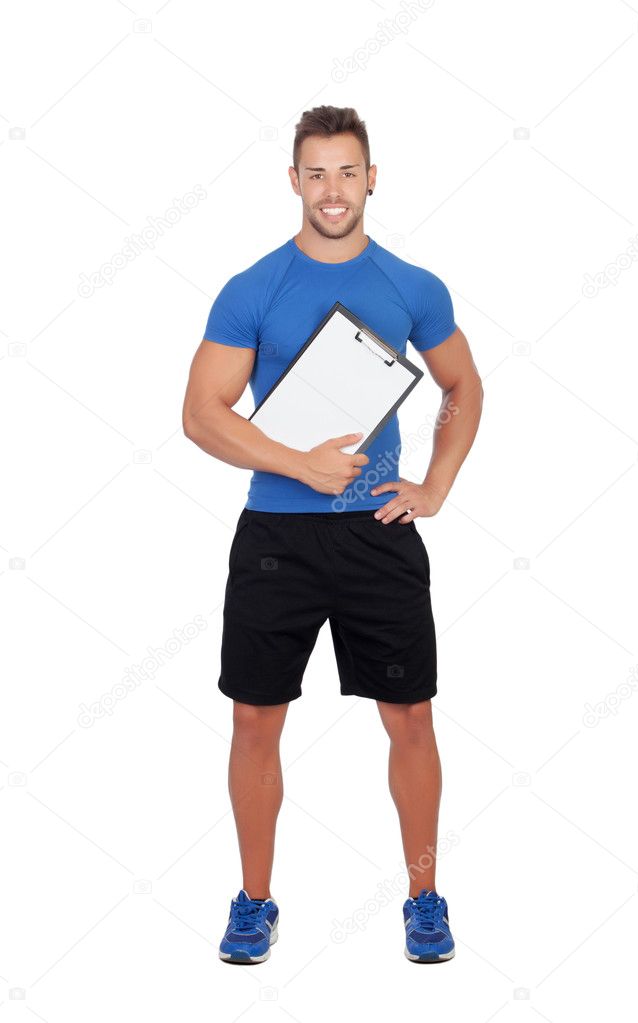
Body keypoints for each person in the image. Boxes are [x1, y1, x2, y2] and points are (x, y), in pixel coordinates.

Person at [182, 105, 483, 964]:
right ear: (294, 183)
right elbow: (201, 415)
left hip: (379, 535)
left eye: (347, 172)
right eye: (316, 173)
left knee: (413, 721)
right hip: (276, 533)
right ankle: (254, 900)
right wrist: (293, 459)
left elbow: (463, 388)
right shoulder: (254, 288)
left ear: (372, 177)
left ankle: (424, 896)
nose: (333, 189)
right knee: (253, 722)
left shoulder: (412, 287)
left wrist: (435, 483)